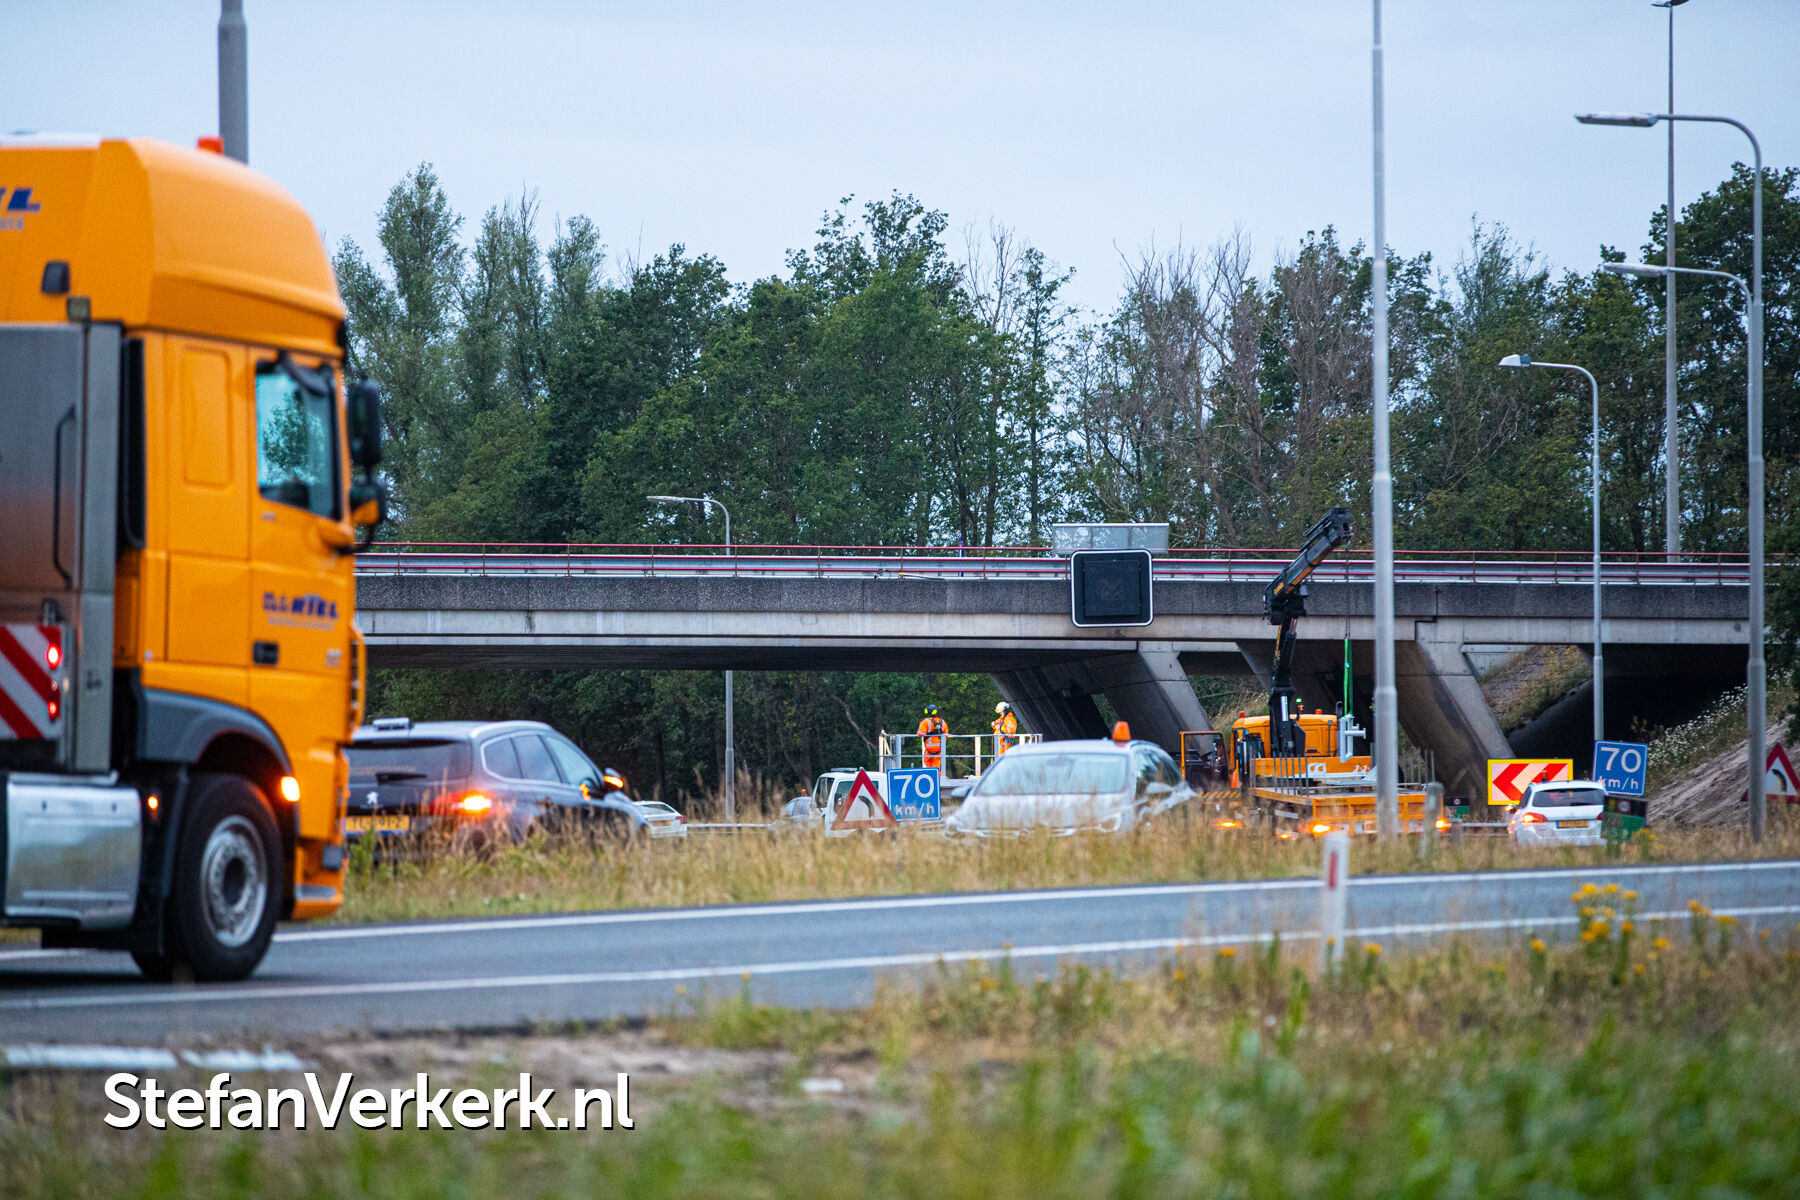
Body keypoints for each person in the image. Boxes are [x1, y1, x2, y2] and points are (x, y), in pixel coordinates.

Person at [917, 703, 948, 770]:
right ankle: (938, 779)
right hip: (938, 751)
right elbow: (945, 735)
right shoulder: (942, 722)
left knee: (929, 767)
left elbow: (920, 733)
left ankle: (931, 778)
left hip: (929, 751)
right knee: (936, 768)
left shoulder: (925, 722)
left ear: (927, 711)